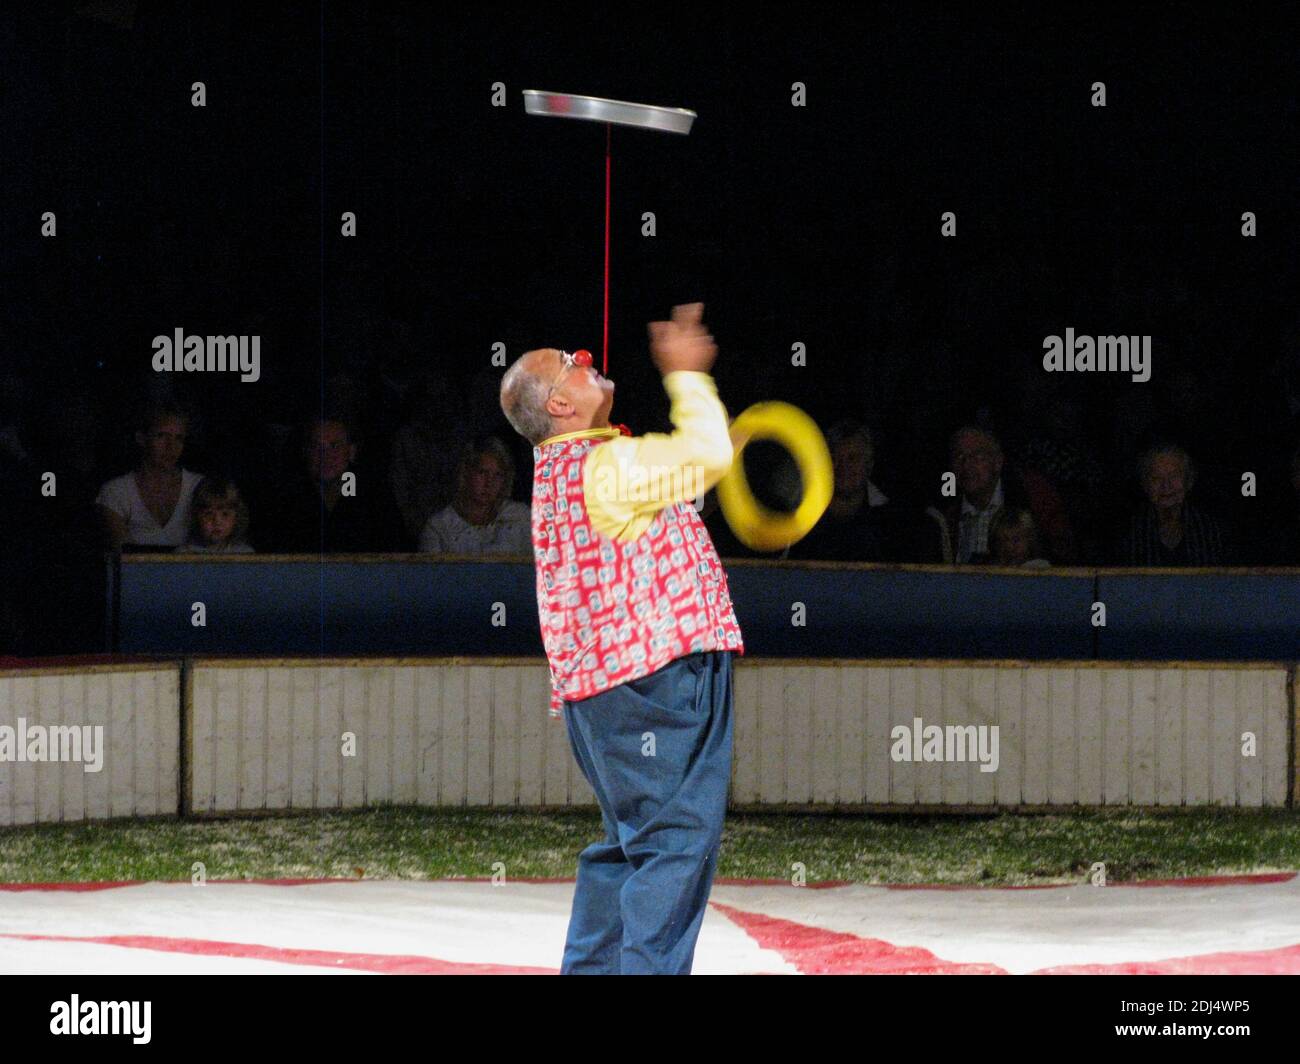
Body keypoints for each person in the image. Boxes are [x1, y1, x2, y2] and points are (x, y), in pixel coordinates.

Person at [500, 303, 744, 975]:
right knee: (674, 844)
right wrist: (688, 376)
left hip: (602, 701)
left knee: (628, 845)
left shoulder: (565, 472)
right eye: (570, 365)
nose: (584, 357)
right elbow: (709, 455)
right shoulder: (606, 468)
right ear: (559, 404)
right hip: (654, 686)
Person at [95, 401, 204, 550]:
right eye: (161, 436)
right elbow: (123, 557)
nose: (171, 446)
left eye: (179, 438)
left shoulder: (199, 487)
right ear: (141, 439)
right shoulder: (115, 491)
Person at [1116, 443, 1233, 566]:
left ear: (1189, 481)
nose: (1166, 486)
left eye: (1174, 476)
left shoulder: (1212, 531)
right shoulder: (1128, 532)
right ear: (1145, 485)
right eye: (1156, 478)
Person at [418, 435, 530, 555]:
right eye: (482, 473)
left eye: (498, 475)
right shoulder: (439, 528)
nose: (489, 483)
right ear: (465, 473)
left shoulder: (521, 517)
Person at [175, 476, 255, 554]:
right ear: (196, 517)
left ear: (237, 517)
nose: (217, 521)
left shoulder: (245, 555)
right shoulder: (185, 554)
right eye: (208, 514)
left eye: (225, 514)